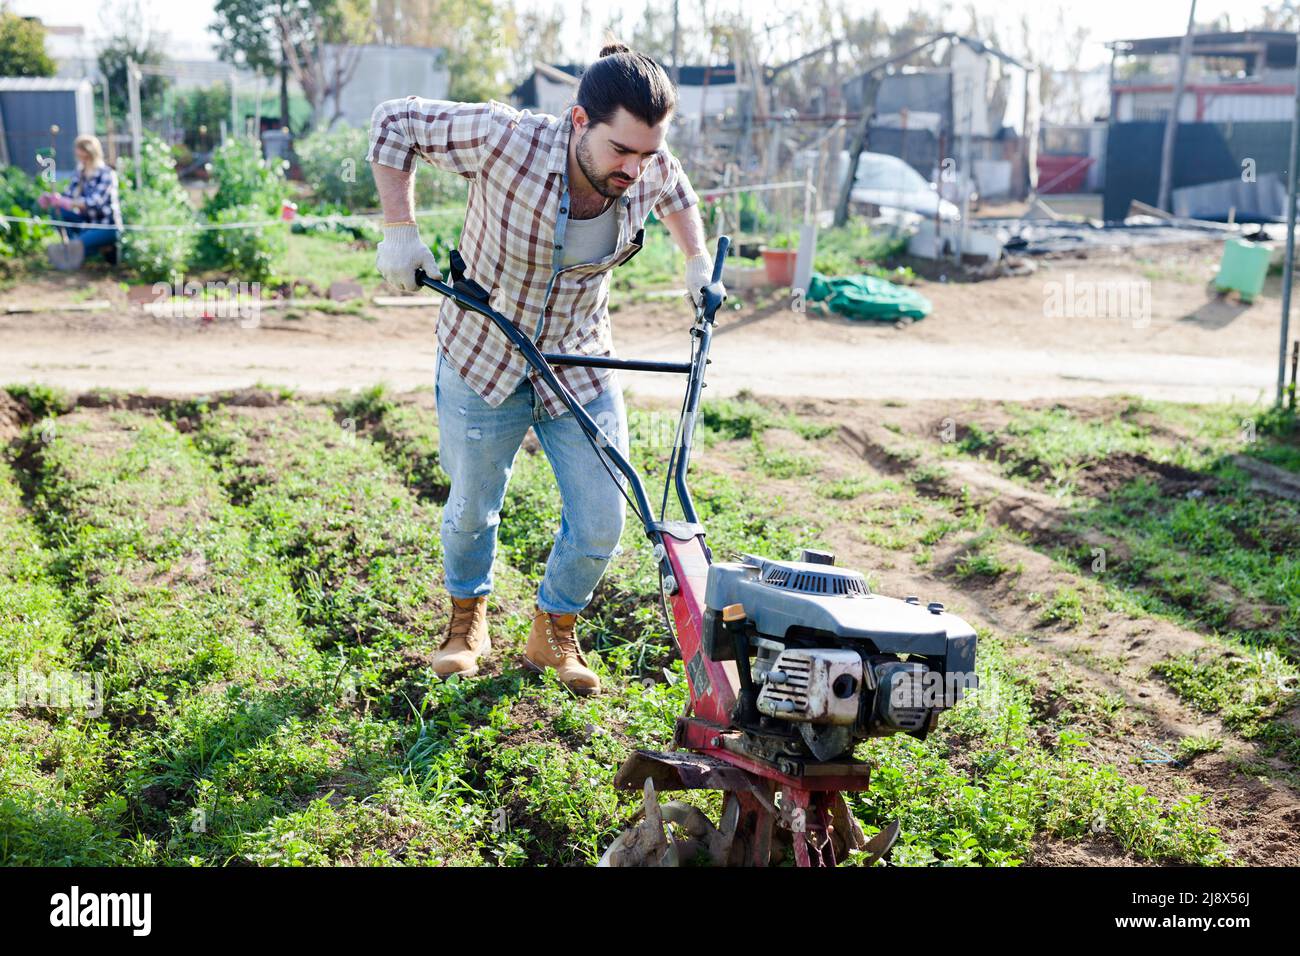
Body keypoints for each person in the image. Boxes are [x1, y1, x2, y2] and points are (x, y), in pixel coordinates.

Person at [367, 42, 721, 695]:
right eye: (622, 151)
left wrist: (696, 260)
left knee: (601, 518)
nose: (636, 168)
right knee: (473, 505)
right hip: (484, 347)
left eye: (647, 152)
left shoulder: (648, 164)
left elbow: (676, 190)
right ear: (579, 120)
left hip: (577, 354)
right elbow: (395, 123)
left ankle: (552, 631)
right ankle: (466, 621)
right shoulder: (507, 139)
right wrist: (399, 228)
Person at [38, 134, 122, 263]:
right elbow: (68, 196)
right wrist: (52, 199)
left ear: (92, 154)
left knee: (80, 245)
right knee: (57, 211)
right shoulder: (80, 173)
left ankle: (83, 248)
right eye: (80, 157)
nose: (82, 160)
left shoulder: (106, 173)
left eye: (85, 157)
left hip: (106, 226)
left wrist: (69, 203)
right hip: (86, 223)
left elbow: (94, 203)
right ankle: (75, 247)